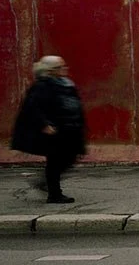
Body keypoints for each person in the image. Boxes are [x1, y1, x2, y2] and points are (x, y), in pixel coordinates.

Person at [11, 56, 86, 204]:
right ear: (51, 71)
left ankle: (45, 183)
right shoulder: (42, 85)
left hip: (69, 128)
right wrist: (44, 124)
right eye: (60, 67)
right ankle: (54, 194)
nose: (64, 69)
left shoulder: (66, 84)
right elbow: (32, 107)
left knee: (70, 157)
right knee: (55, 161)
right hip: (53, 130)